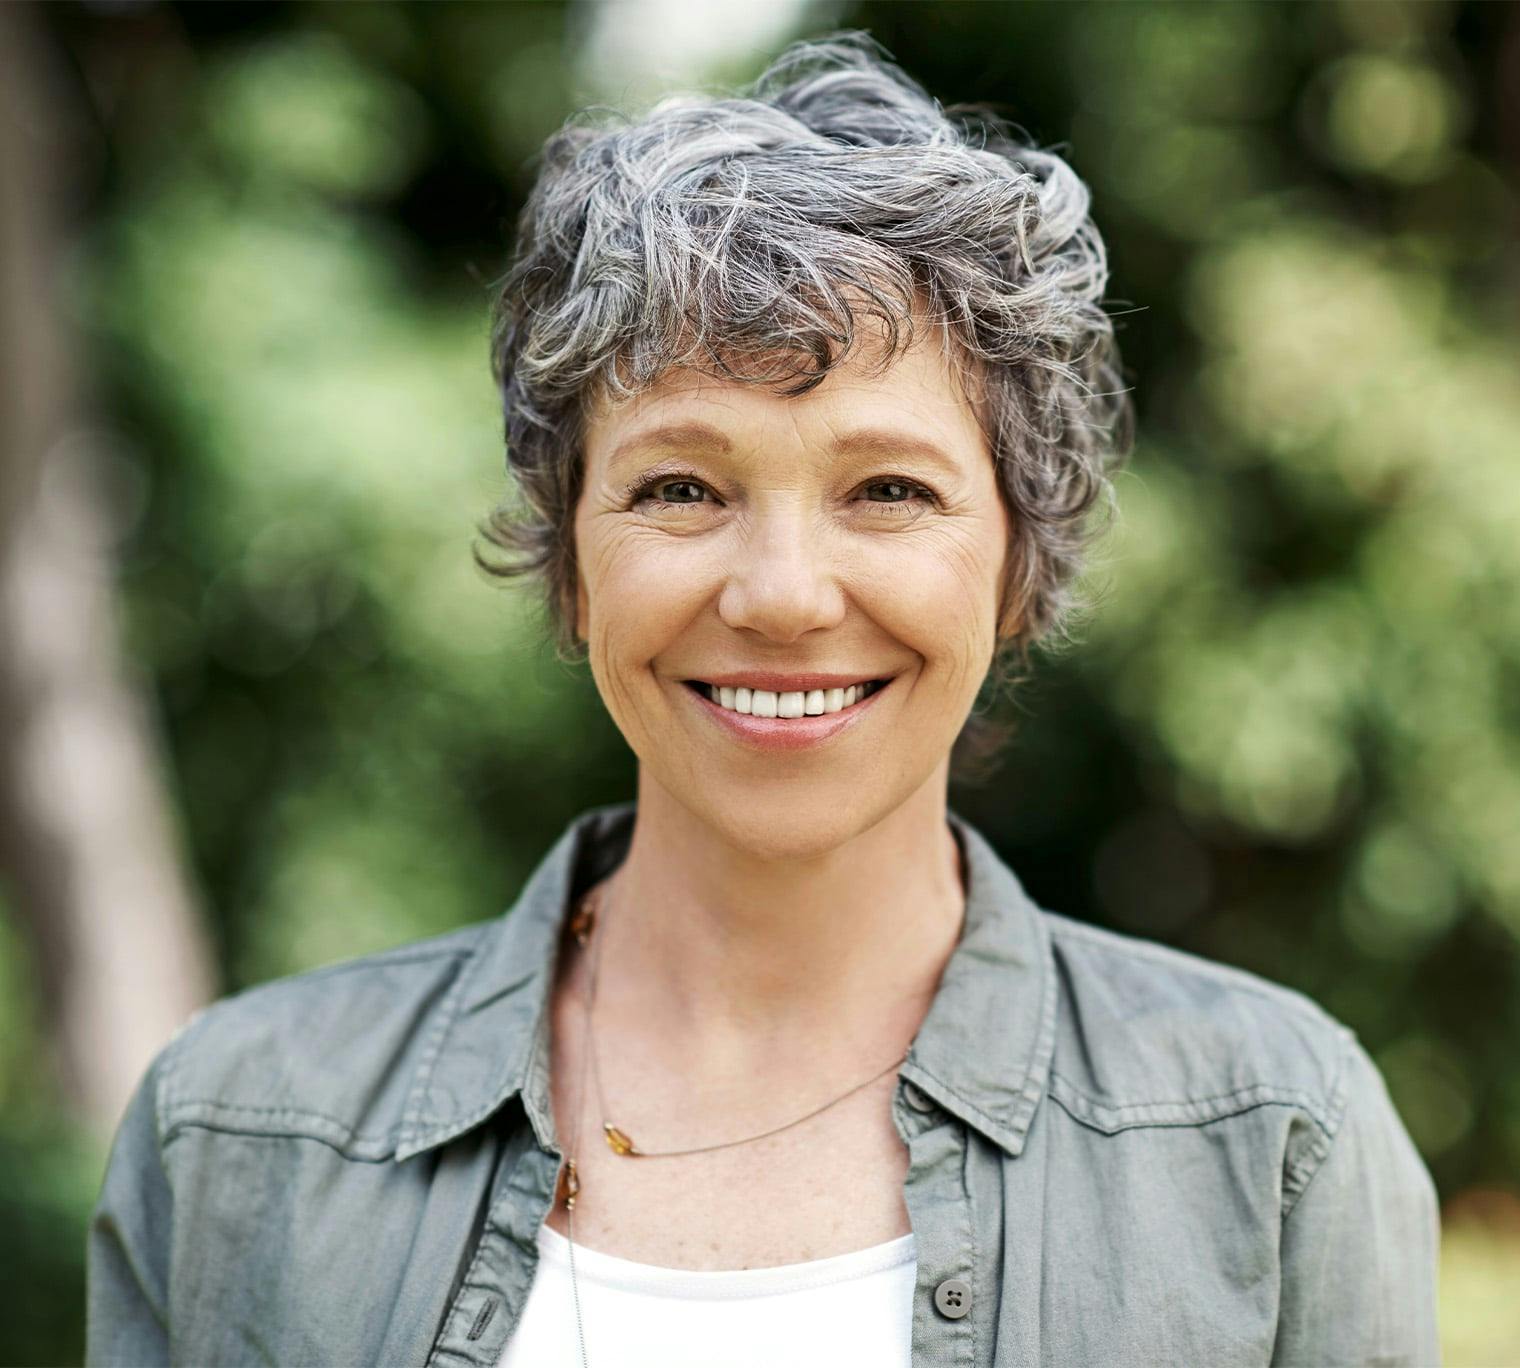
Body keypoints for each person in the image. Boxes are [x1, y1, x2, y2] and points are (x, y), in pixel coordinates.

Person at [86, 30, 1440, 1368]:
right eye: (681, 488)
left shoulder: (1270, 1143)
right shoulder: (234, 1141)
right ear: (569, 562)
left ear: (1020, 564)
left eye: (889, 490)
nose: (782, 596)